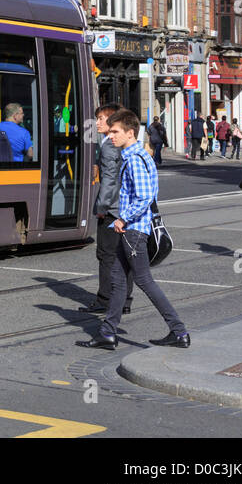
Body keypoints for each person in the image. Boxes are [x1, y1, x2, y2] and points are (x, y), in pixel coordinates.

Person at [79, 108, 189, 350]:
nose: (111, 136)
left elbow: (144, 197)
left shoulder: (135, 159)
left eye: (116, 131)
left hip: (133, 231)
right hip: (132, 230)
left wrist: (122, 219)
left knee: (144, 281)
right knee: (118, 281)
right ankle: (107, 333)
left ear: (130, 132)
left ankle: (179, 331)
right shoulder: (134, 156)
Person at [79, 104, 133, 316]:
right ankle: (124, 299)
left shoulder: (109, 145)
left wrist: (101, 208)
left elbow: (110, 182)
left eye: (101, 118)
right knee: (124, 256)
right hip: (125, 208)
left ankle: (105, 299)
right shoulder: (121, 144)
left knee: (107, 255)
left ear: (113, 121)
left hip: (112, 210)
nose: (97, 123)